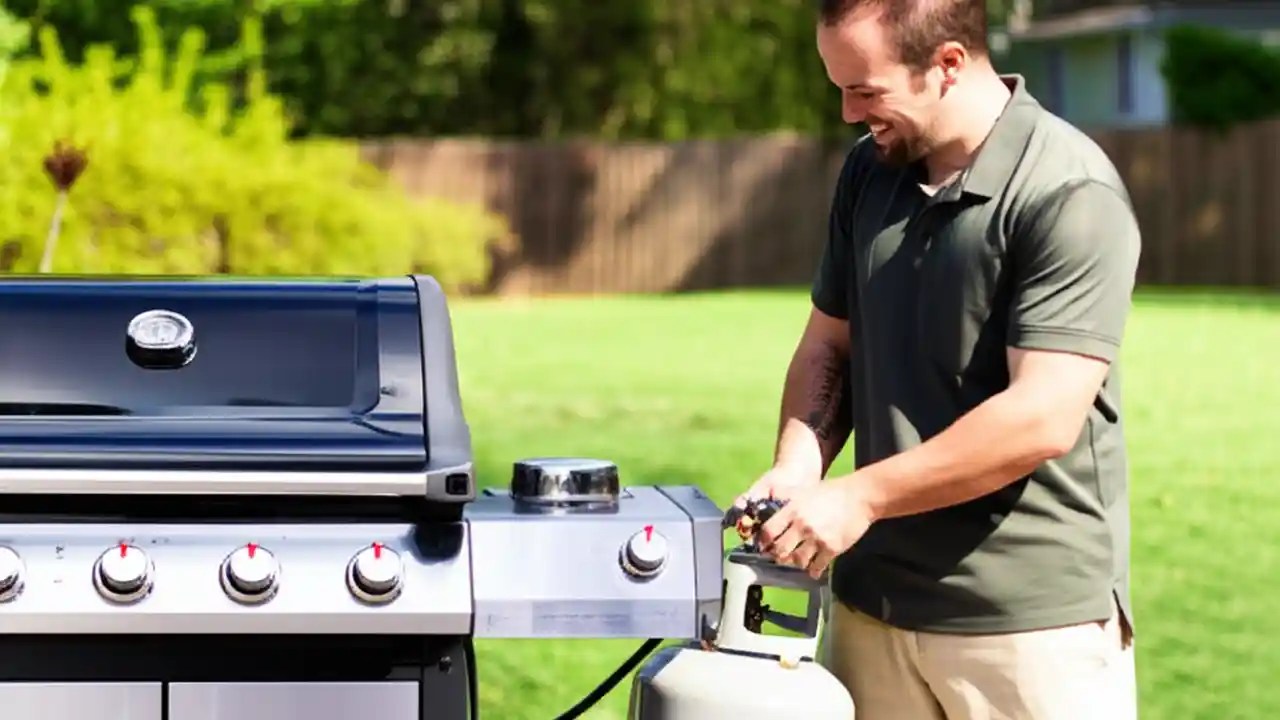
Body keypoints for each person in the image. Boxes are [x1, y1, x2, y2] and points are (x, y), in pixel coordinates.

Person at [732, 0, 1142, 718]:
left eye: (864, 90)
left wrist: (858, 497)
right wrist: (799, 472)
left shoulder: (1066, 191)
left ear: (948, 64)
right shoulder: (869, 173)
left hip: (1026, 628)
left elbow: (1040, 416)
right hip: (870, 613)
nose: (847, 113)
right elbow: (831, 341)